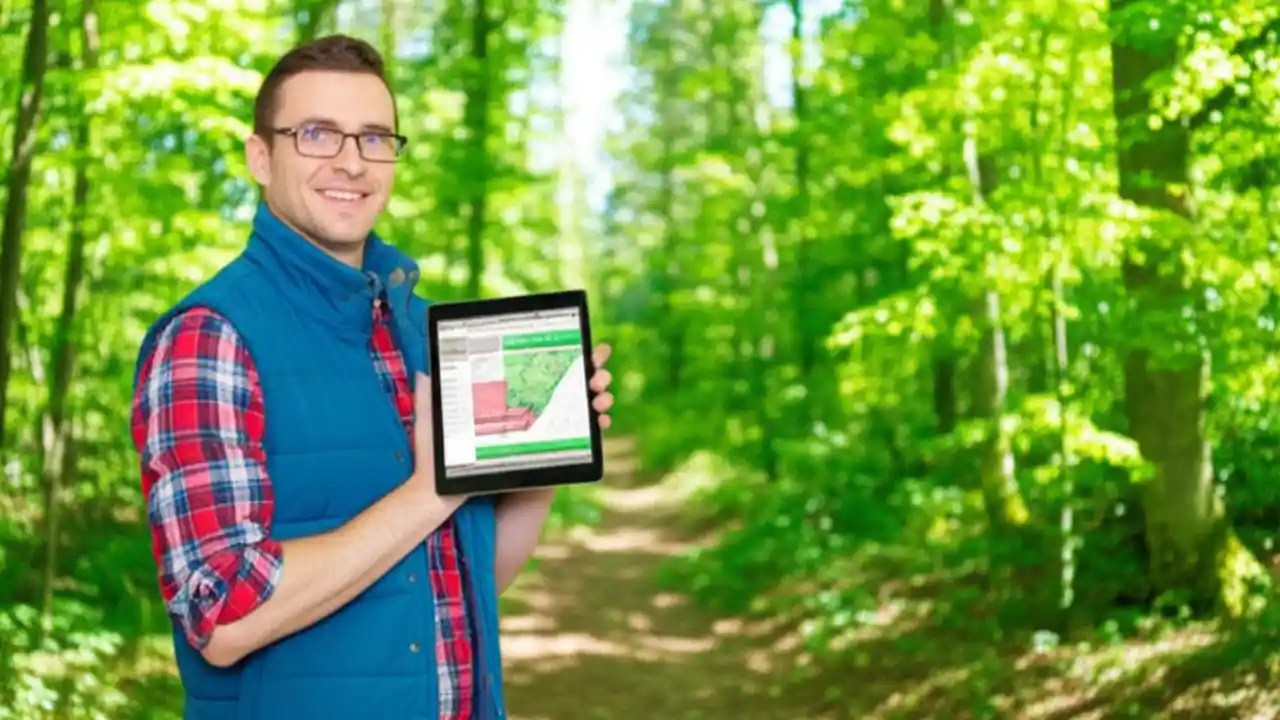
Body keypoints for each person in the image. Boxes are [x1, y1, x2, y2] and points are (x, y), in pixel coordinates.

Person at [128, 34, 614, 720]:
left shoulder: (425, 331)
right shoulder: (210, 338)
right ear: (259, 156)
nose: (351, 162)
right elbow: (223, 616)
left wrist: (540, 463)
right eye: (318, 133)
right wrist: (433, 489)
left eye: (375, 137)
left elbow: (463, 589)